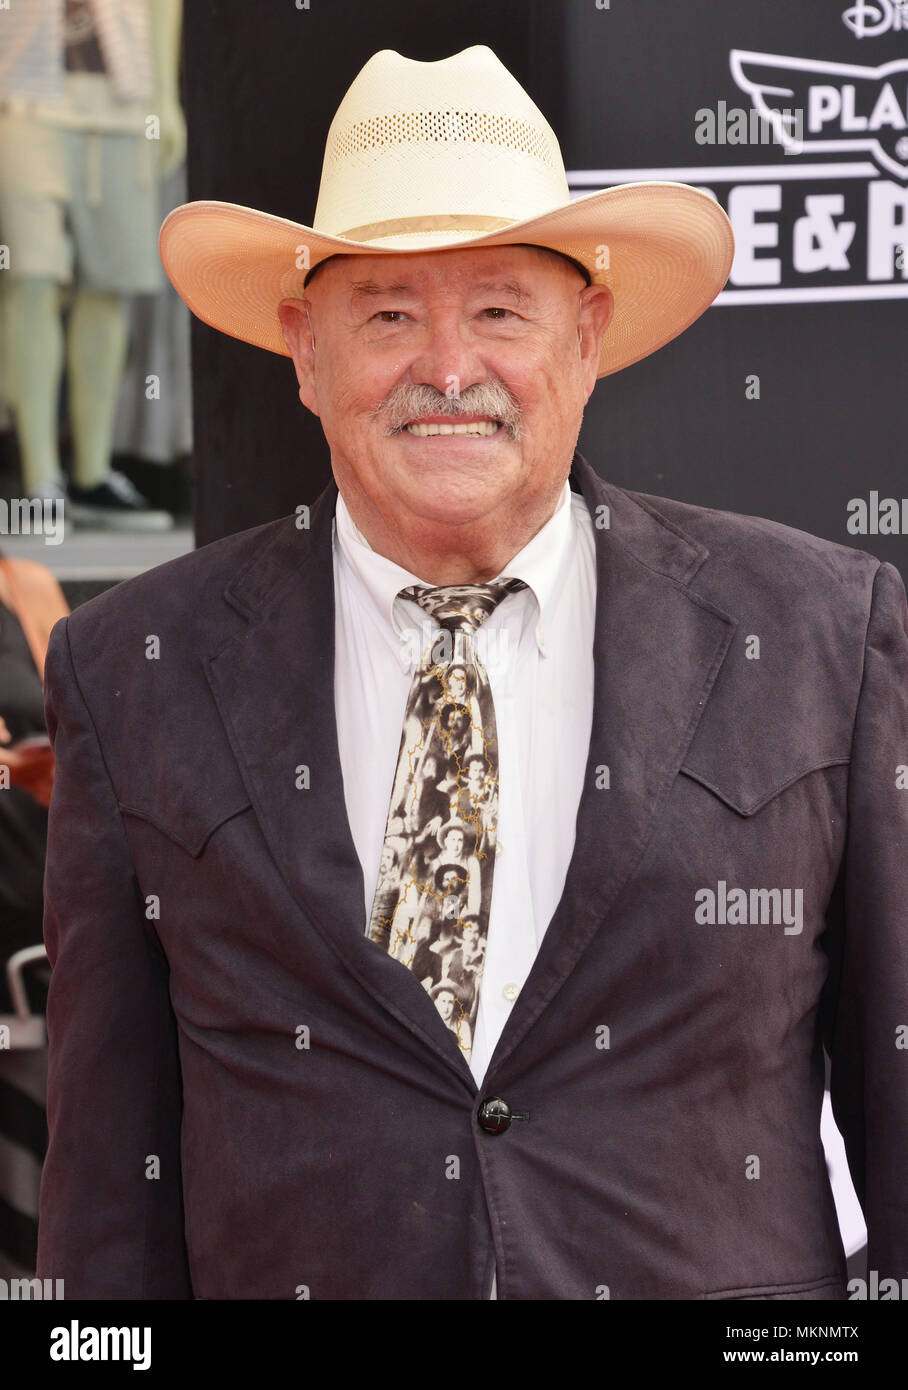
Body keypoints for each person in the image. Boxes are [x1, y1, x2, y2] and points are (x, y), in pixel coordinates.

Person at [37, 45, 907, 1300]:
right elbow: (106, 1194)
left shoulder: (821, 631)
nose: (448, 369)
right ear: (302, 350)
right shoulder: (135, 669)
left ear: (588, 335)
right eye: (388, 313)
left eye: (499, 309)